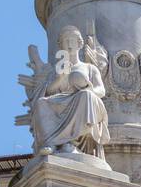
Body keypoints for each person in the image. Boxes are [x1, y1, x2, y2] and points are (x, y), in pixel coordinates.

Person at [30, 26, 110, 159]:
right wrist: (60, 78)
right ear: (60, 46)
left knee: (86, 95)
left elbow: (101, 90)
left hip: (83, 99)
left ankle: (71, 141)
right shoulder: (56, 70)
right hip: (62, 100)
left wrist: (88, 88)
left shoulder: (89, 68)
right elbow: (49, 92)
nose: (69, 44)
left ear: (79, 43)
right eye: (65, 41)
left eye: (72, 40)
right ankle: (52, 142)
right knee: (41, 103)